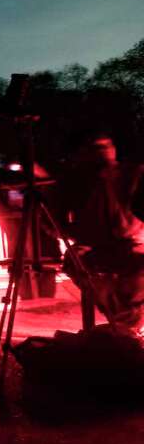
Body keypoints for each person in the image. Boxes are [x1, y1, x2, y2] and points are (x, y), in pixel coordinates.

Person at [56, 131, 144, 332]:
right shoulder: (74, 182)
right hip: (92, 247)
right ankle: (125, 322)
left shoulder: (135, 173)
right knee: (80, 265)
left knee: (138, 270)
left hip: (132, 244)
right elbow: (56, 220)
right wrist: (78, 236)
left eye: (107, 146)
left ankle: (125, 322)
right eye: (97, 148)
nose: (104, 152)